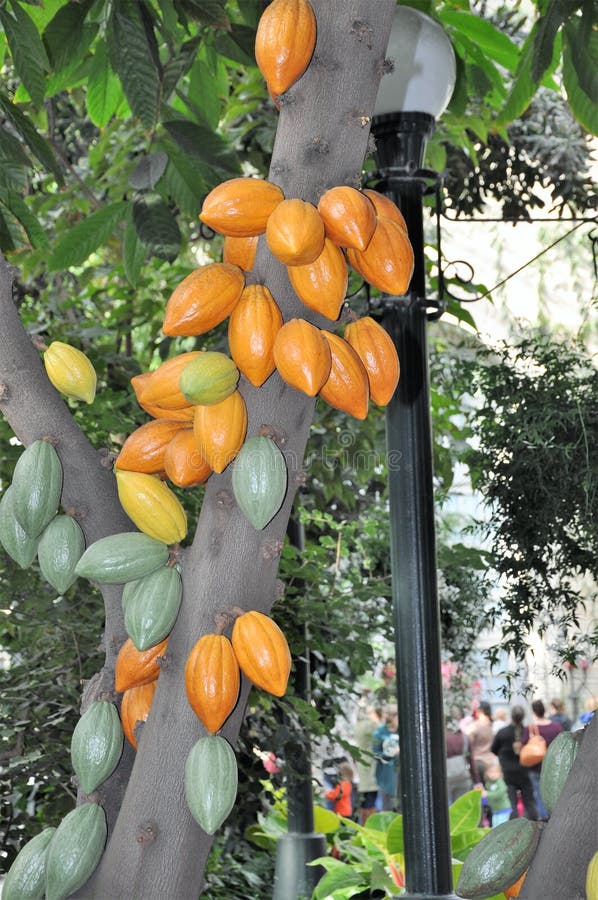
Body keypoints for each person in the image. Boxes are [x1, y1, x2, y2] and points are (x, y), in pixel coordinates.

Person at [491, 706, 538, 820]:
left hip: (508, 772)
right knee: (529, 802)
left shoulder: (502, 732)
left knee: (512, 804)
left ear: (511, 716)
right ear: (523, 717)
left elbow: (493, 749)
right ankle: (534, 826)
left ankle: (513, 828)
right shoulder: (527, 732)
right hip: (525, 771)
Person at [521, 699, 562, 820]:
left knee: (539, 795)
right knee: (555, 792)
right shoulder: (556, 727)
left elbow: (524, 745)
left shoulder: (531, 728)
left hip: (536, 767)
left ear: (534, 712)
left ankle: (544, 820)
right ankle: (557, 816)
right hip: (554, 766)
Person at [353, 705, 382, 823]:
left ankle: (364, 824)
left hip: (362, 767)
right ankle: (370, 825)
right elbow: (380, 728)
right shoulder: (369, 726)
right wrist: (376, 719)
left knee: (365, 800)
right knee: (371, 800)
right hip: (370, 767)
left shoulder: (358, 726)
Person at [445, 708, 479, 803]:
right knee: (461, 805)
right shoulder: (464, 737)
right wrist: (476, 780)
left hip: (446, 777)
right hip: (463, 776)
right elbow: (471, 759)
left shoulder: (441, 738)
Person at [373, 707, 400, 811]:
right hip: (386, 775)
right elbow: (375, 753)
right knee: (386, 806)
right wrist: (390, 753)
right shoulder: (379, 732)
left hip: (401, 773)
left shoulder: (402, 731)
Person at [465, 700, 497, 785]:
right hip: (489, 761)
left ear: (480, 711)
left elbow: (467, 740)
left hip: (477, 760)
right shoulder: (491, 724)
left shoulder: (475, 725)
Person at [484, 762, 511, 826]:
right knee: (495, 826)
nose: (493, 774)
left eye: (496, 772)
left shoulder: (500, 782)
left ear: (500, 773)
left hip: (503, 809)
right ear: (486, 773)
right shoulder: (488, 783)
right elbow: (488, 797)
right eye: (491, 772)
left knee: (501, 826)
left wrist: (487, 794)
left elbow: (499, 793)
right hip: (495, 810)